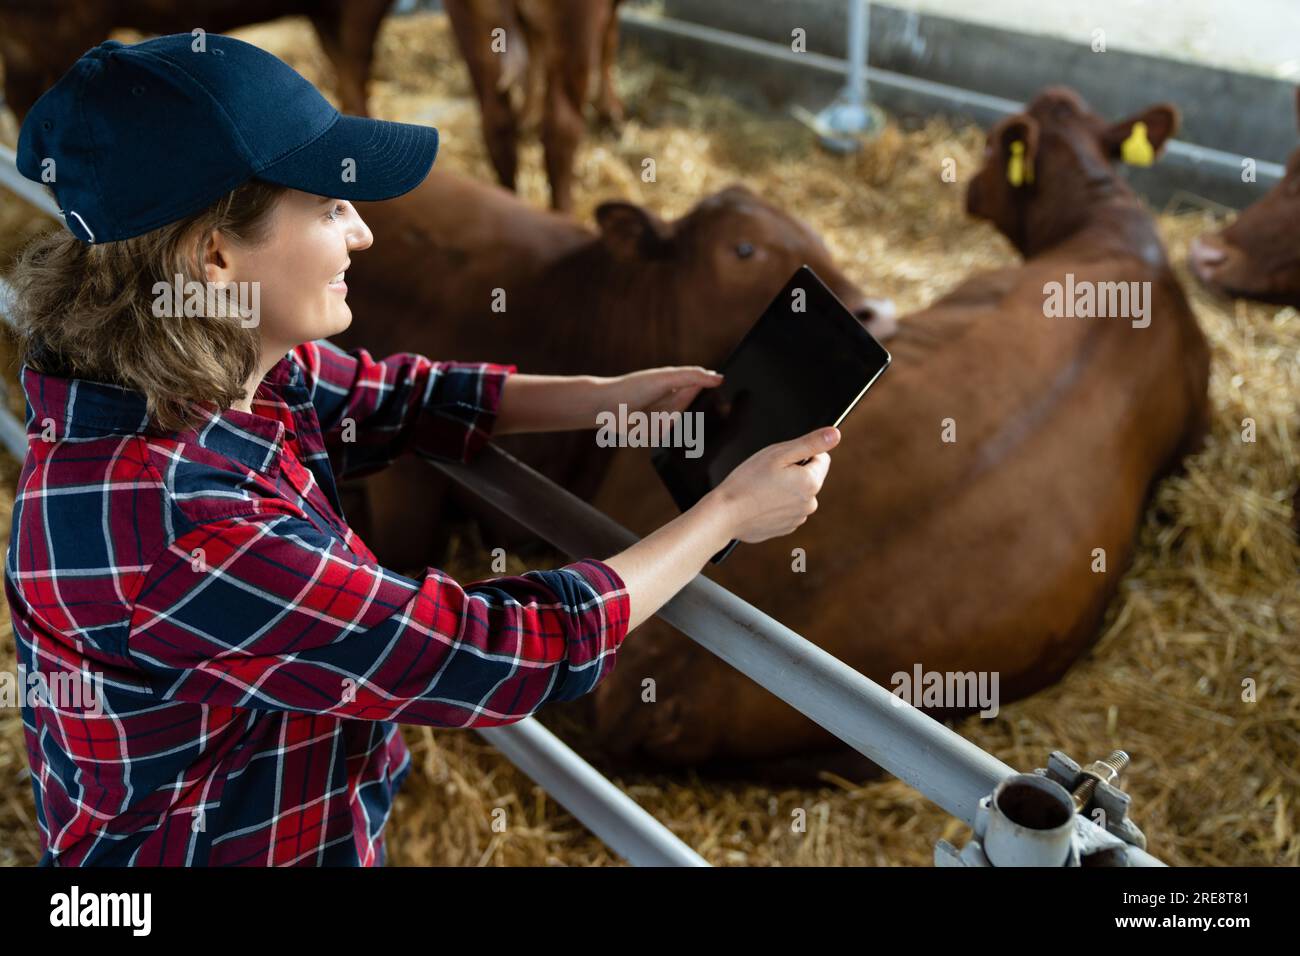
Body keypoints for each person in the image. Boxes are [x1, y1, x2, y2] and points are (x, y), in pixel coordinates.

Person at [4, 33, 839, 866]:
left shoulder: (196, 374)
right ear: (214, 255)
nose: (363, 234)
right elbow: (488, 654)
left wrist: (606, 397)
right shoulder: (182, 526)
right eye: (331, 207)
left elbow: (389, 398)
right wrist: (725, 511)